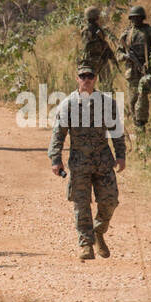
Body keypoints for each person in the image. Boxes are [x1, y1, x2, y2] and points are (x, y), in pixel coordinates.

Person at [49, 65, 126, 260]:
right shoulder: (68, 104)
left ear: (96, 79)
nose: (87, 80)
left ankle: (98, 231)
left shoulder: (106, 103)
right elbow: (58, 133)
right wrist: (55, 159)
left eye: (90, 76)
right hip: (79, 162)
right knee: (81, 204)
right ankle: (86, 244)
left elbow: (116, 131)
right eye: (83, 76)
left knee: (110, 201)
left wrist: (121, 155)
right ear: (77, 79)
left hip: (103, 161)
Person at [117, 5, 151, 133]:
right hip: (132, 73)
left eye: (138, 17)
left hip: (145, 72)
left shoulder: (150, 32)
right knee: (132, 101)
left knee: (142, 100)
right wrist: (126, 56)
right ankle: (137, 125)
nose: (136, 20)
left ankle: (141, 127)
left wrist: (149, 65)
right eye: (133, 18)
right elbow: (118, 54)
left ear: (142, 18)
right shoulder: (126, 34)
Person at [78, 6, 116, 91]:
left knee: (106, 84)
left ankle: (103, 101)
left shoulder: (94, 29)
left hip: (98, 60)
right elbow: (87, 47)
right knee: (103, 84)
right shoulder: (88, 30)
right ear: (97, 17)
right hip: (94, 61)